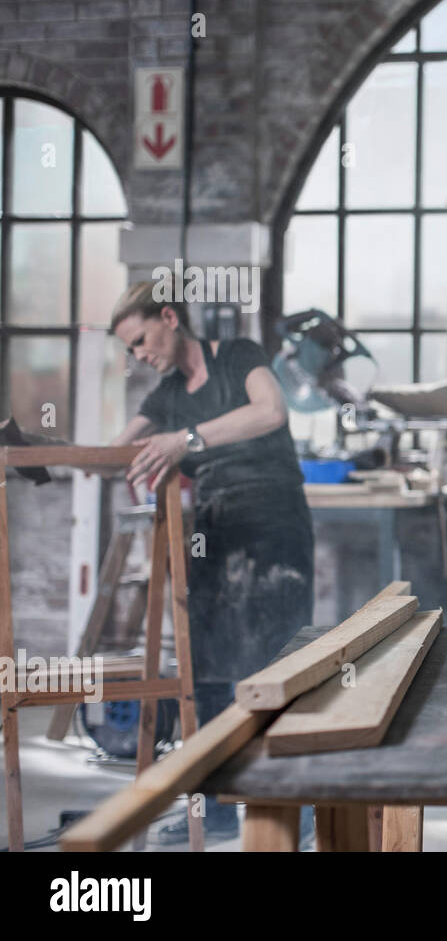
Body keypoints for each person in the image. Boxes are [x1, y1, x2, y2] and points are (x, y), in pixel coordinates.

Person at [107, 281, 314, 843]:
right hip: (214, 527)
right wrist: (33, 448)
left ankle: (302, 807)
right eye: (129, 351)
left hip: (274, 520)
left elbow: (270, 411)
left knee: (274, 662)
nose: (139, 356)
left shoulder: (238, 354)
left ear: (170, 317)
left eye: (141, 340)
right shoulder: (166, 395)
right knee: (206, 667)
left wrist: (187, 439)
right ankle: (216, 811)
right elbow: (117, 454)